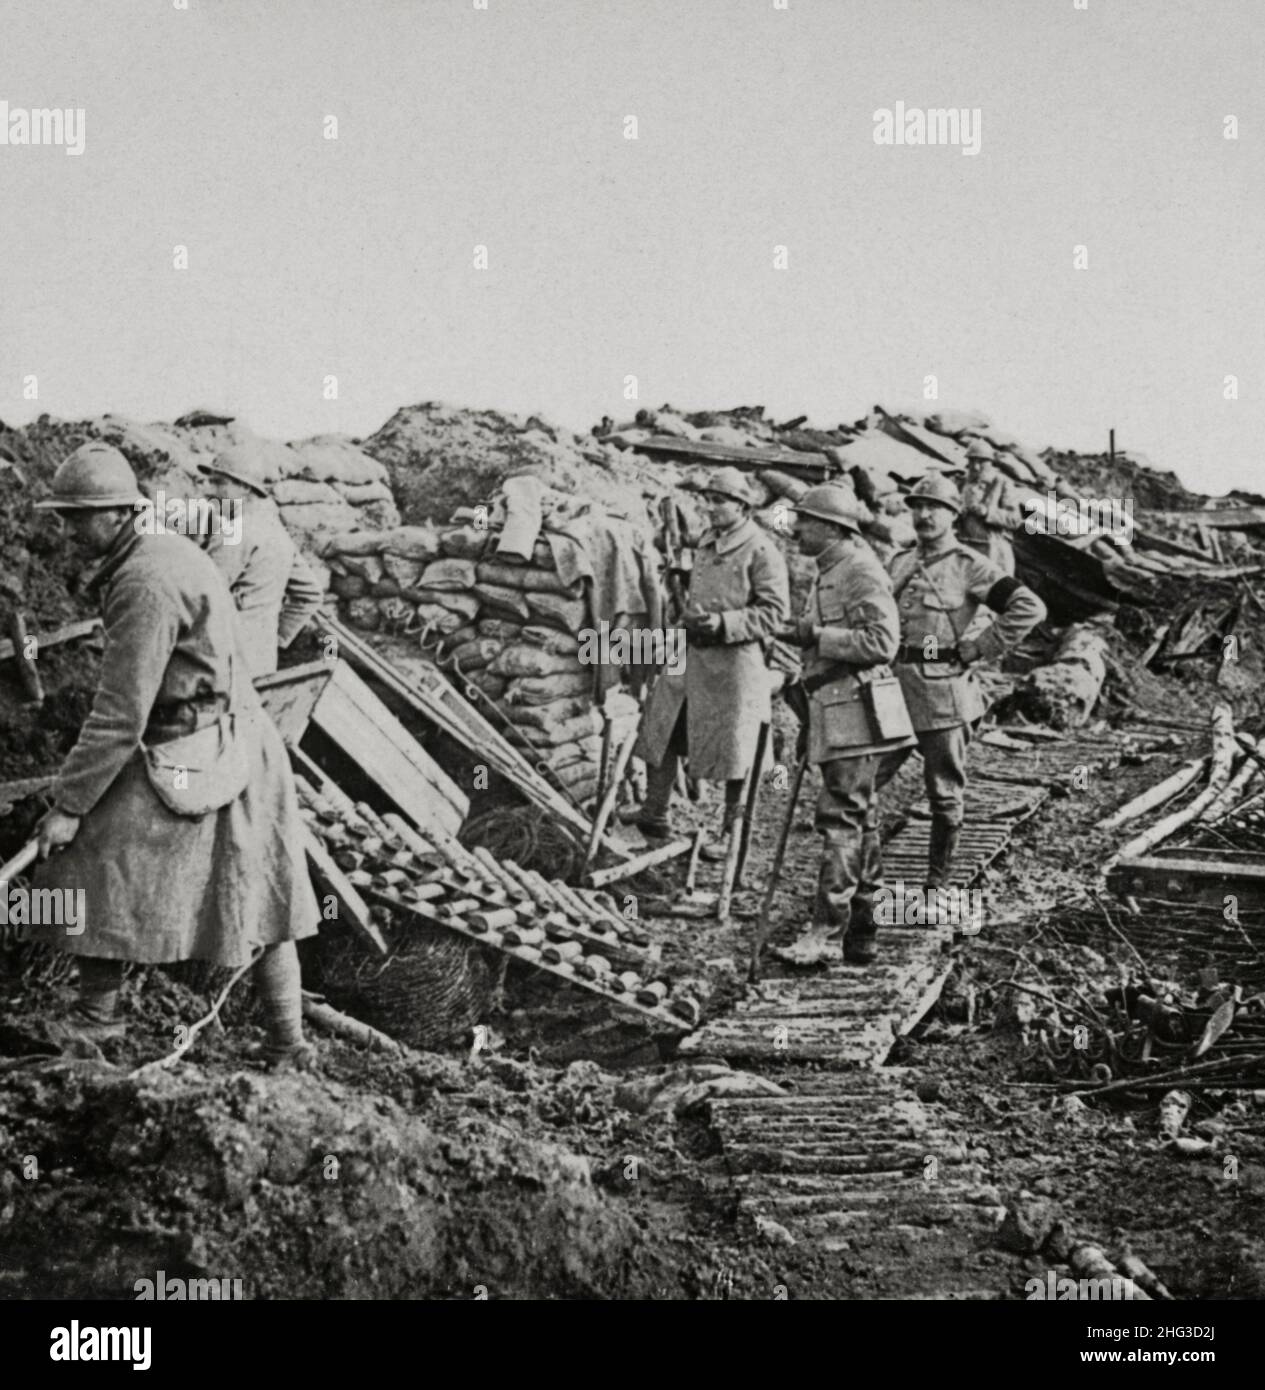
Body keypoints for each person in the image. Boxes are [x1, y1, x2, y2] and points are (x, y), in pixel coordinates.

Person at [30, 443, 319, 1066]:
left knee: (93, 848)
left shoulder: (145, 580)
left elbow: (119, 713)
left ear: (115, 514)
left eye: (78, 518)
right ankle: (107, 1019)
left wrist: (69, 804)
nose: (69, 531)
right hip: (221, 729)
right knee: (256, 889)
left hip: (212, 744)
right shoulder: (153, 551)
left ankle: (280, 1042)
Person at [878, 473, 1046, 889]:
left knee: (944, 791)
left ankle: (937, 882)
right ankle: (864, 875)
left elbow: (1029, 607)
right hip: (892, 690)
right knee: (864, 780)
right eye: (917, 506)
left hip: (942, 694)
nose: (924, 514)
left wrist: (981, 648)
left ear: (953, 515)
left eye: (934, 507)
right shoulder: (899, 561)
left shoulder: (970, 566)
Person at [780, 484, 916, 965]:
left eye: (805, 521)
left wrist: (816, 636)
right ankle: (861, 932)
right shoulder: (830, 571)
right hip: (833, 711)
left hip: (853, 713)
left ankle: (825, 935)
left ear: (833, 528)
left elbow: (882, 642)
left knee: (840, 820)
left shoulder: (859, 570)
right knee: (863, 820)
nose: (795, 528)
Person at [627, 467, 789, 859]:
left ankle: (730, 834)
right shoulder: (707, 541)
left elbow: (775, 613)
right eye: (708, 500)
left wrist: (723, 623)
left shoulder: (761, 550)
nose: (711, 508)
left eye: (720, 501)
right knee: (661, 727)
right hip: (690, 654)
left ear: (742, 506)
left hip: (733, 662)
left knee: (736, 747)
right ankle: (655, 812)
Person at [195, 444, 324, 678]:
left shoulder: (234, 533)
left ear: (244, 487)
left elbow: (200, 600)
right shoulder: (275, 530)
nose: (209, 491)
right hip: (262, 662)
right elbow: (311, 594)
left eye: (219, 483)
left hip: (225, 665)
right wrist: (276, 638)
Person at [957, 440, 1024, 575]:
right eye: (972, 461)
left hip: (994, 552)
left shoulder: (1001, 483)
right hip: (964, 548)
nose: (975, 467)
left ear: (990, 462)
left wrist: (988, 512)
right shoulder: (961, 483)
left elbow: (1015, 520)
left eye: (981, 462)